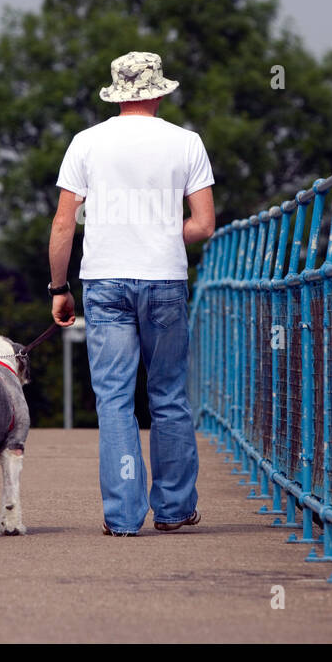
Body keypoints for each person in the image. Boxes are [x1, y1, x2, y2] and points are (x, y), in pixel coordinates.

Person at [47, 51, 216, 536]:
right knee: (167, 395)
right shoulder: (187, 143)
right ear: (160, 91)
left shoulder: (86, 142)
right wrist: (163, 232)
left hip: (104, 282)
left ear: (117, 93)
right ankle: (175, 509)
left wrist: (60, 287)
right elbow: (203, 224)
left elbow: (63, 223)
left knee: (115, 400)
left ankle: (122, 517)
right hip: (165, 280)